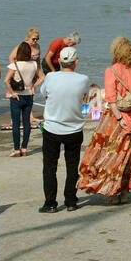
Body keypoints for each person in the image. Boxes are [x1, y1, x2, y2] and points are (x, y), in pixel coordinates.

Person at [77, 36, 131, 205]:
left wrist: (119, 119)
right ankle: (124, 193)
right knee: (129, 157)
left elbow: (111, 100)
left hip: (115, 122)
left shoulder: (112, 70)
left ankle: (111, 194)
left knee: (109, 157)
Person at [34, 46, 92, 213]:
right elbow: (85, 95)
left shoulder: (51, 77)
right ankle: (71, 200)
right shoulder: (83, 79)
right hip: (74, 128)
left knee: (50, 166)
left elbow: (44, 93)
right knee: (72, 166)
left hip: (52, 127)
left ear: (59, 61)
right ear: (76, 62)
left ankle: (50, 203)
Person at [4, 39, 43, 158]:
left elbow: (6, 81)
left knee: (16, 124)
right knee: (27, 123)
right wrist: (33, 87)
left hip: (16, 97)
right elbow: (42, 77)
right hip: (28, 96)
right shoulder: (34, 64)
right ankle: (24, 148)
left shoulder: (14, 65)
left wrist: (12, 93)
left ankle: (16, 150)